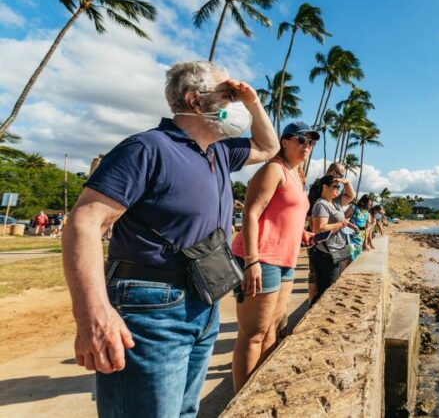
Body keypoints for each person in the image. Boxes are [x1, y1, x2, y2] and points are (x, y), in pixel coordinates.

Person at [61, 61, 279, 418]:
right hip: (152, 308)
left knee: (183, 412)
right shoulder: (148, 148)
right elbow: (83, 223)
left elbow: (268, 147)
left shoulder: (219, 151)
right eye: (227, 95)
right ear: (195, 101)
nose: (234, 102)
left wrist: (253, 101)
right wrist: (92, 314)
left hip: (203, 302)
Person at [231, 121, 318, 393]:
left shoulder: (297, 176)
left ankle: (257, 394)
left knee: (272, 330)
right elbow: (251, 213)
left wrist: (302, 233)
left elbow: (285, 214)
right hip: (261, 258)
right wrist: (251, 260)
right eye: (301, 140)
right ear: (285, 142)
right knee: (253, 334)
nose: (307, 146)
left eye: (311, 142)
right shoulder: (273, 169)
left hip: (286, 261)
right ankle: (240, 404)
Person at [309, 174, 355, 304]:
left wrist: (346, 182)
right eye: (335, 186)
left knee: (331, 287)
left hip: (336, 251)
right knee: (325, 290)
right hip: (325, 254)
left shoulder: (336, 203)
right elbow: (319, 228)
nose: (338, 189)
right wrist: (341, 224)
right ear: (325, 187)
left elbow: (351, 196)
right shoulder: (321, 205)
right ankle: (311, 315)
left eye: (339, 187)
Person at [305, 162, 347, 301]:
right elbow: (312, 217)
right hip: (319, 244)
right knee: (317, 278)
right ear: (332, 171)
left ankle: (313, 303)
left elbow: (350, 195)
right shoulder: (318, 190)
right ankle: (311, 304)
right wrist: (317, 235)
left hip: (330, 245)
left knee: (326, 282)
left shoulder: (332, 198)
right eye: (340, 175)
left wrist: (345, 182)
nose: (340, 179)